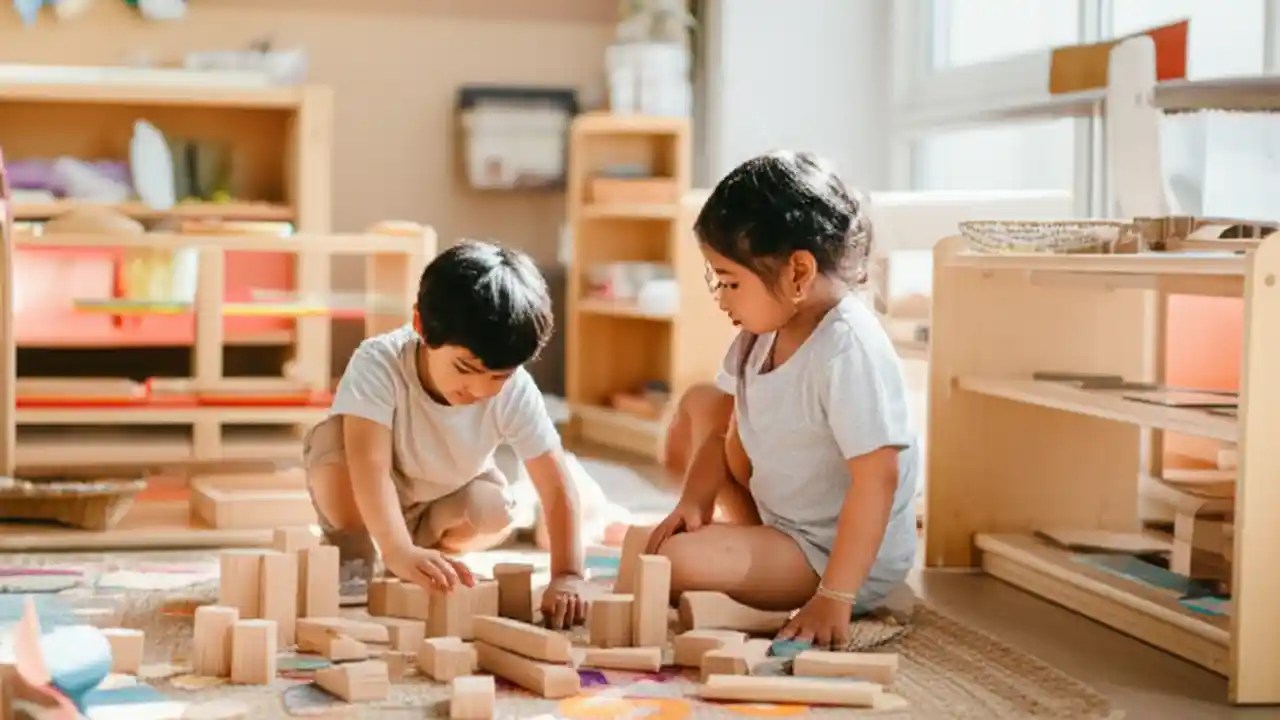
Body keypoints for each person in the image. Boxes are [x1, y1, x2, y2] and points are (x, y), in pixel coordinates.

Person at [647, 151, 919, 649]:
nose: (721, 298)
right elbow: (715, 433)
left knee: (668, 561)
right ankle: (737, 575)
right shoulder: (758, 335)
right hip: (783, 526)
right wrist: (694, 500)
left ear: (798, 272)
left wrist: (835, 595)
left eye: (729, 282)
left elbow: (878, 477)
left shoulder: (849, 348)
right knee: (704, 403)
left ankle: (754, 593)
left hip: (835, 557)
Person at [303, 239, 588, 628]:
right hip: (371, 495)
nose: (482, 390)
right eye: (466, 369)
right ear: (421, 327)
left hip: (440, 503)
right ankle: (353, 550)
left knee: (494, 507)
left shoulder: (516, 389)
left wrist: (567, 575)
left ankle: (431, 554)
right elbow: (369, 466)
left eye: (499, 377)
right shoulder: (379, 362)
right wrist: (396, 551)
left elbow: (557, 486)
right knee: (333, 446)